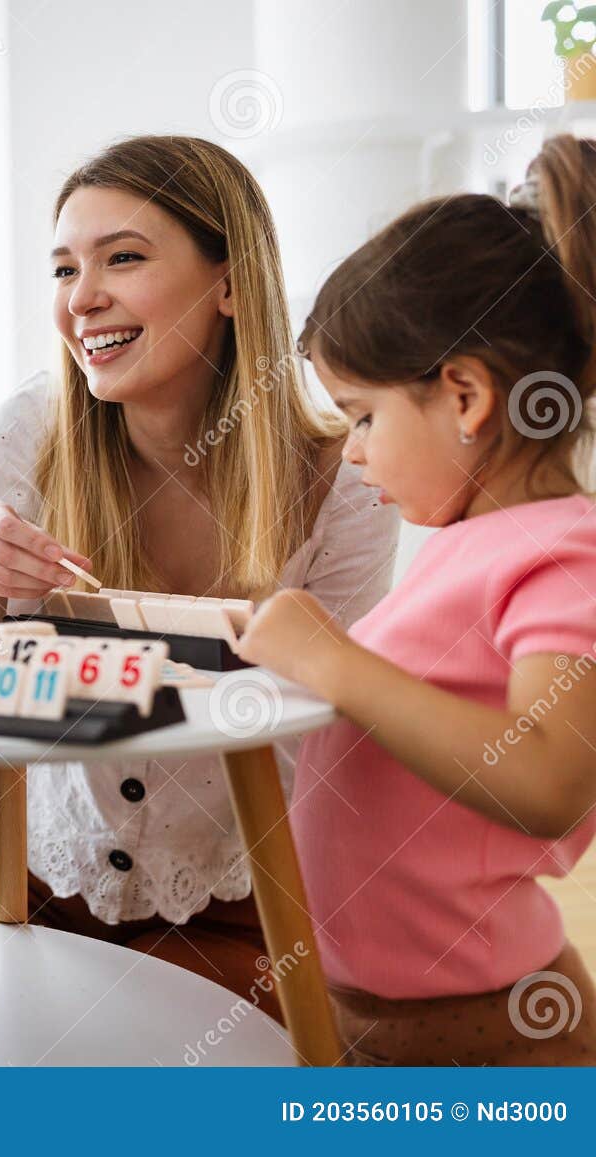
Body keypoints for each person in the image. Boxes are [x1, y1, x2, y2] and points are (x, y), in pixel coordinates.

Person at [0, 135, 399, 1019]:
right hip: (26, 873)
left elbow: (324, 739)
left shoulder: (350, 476)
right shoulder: (31, 430)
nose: (82, 298)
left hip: (241, 895)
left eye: (122, 259)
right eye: (63, 269)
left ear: (228, 283)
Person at [241, 135, 596, 1064]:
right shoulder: (467, 544)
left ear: (467, 395)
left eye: (363, 415)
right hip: (381, 1010)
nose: (352, 449)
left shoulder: (565, 553)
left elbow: (552, 781)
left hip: (491, 1029)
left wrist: (335, 661)